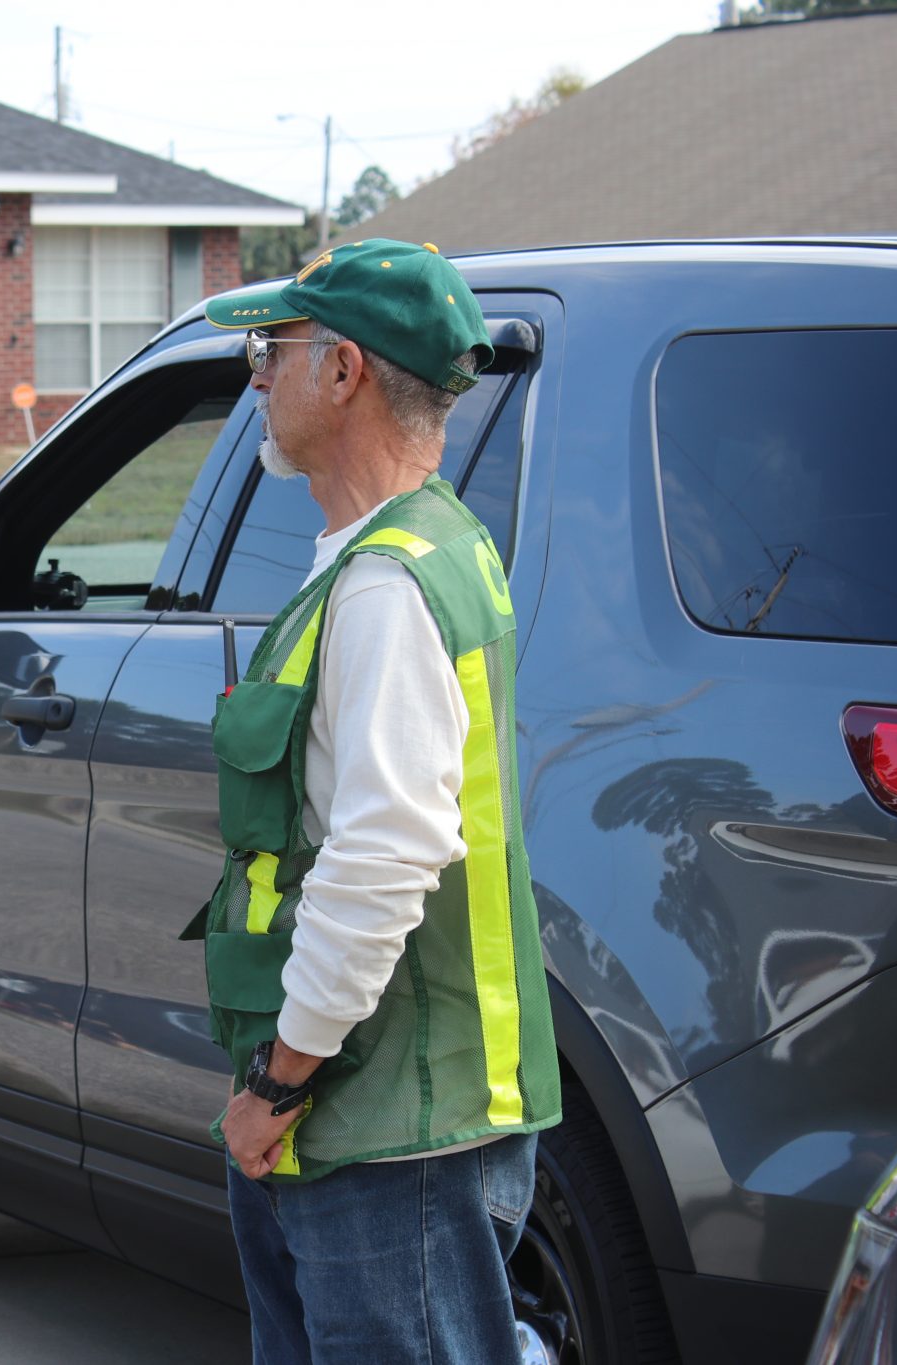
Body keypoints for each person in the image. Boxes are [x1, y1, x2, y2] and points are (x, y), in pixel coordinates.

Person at [187, 239, 560, 1364]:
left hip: (381, 1117)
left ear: (341, 370)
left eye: (272, 349)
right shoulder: (417, 542)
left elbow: (385, 855)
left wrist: (277, 1080)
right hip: (370, 1107)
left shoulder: (389, 583)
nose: (254, 373)